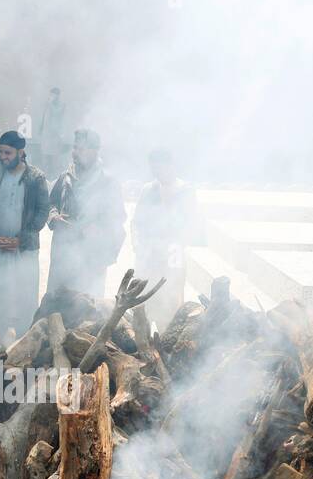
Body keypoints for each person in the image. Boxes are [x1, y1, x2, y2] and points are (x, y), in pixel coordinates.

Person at [0, 130, 49, 338]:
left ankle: (25, 346)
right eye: (2, 152)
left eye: (8, 153)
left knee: (24, 300)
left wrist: (20, 239)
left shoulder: (36, 178)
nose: (3, 157)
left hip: (24, 250)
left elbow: (43, 212)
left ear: (20, 152)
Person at [46, 128, 126, 299]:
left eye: (80, 149)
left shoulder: (108, 182)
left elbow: (118, 220)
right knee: (56, 308)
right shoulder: (64, 177)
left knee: (87, 310)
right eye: (74, 148)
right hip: (63, 255)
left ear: (95, 151)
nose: (74, 153)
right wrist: (54, 216)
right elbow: (50, 203)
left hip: (91, 257)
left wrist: (99, 229)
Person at [132, 149, 200, 332]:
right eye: (154, 170)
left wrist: (172, 247)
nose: (158, 173)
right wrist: (139, 247)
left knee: (171, 301)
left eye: (160, 169)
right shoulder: (148, 189)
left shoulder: (185, 190)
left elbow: (191, 226)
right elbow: (136, 222)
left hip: (173, 254)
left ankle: (168, 342)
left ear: (170, 166)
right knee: (144, 301)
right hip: (149, 255)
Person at [38, 87, 67, 181]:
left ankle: (56, 180)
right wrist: (41, 128)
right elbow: (44, 116)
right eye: (50, 94)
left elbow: (57, 114)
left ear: (58, 95)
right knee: (45, 159)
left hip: (55, 137)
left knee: (55, 160)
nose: (51, 96)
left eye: (53, 95)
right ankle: (44, 179)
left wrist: (50, 104)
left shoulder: (61, 105)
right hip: (46, 136)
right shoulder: (47, 104)